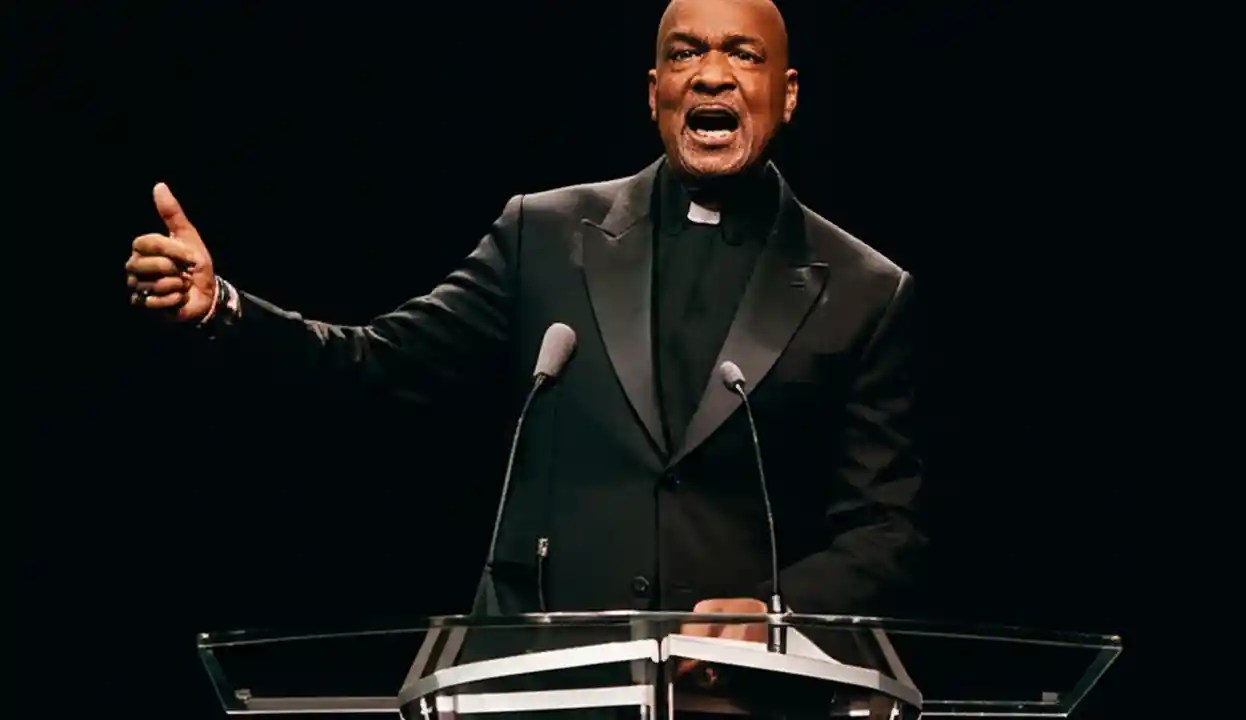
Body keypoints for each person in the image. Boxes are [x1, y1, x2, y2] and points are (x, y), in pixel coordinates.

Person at [125, 0, 925, 649]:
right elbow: (376, 365)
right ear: (654, 93)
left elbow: (888, 531)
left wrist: (774, 610)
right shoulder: (543, 236)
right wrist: (223, 307)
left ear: (786, 93)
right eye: (685, 54)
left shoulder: (864, 289)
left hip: (743, 696)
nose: (711, 74)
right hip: (543, 679)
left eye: (743, 55)